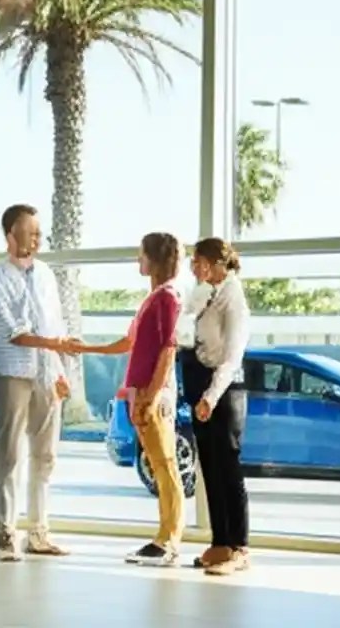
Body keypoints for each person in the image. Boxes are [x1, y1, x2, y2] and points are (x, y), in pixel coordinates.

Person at [0, 203, 78, 562]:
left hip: (48, 374)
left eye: (39, 232)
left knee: (46, 455)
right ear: (10, 236)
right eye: (30, 231)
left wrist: (61, 369)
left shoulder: (46, 275)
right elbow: (13, 333)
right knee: (8, 456)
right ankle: (4, 536)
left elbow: (56, 324)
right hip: (14, 375)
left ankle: (38, 533)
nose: (37, 238)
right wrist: (56, 345)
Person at [183, 237, 252, 576]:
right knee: (208, 467)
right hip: (200, 384)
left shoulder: (233, 298)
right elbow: (186, 331)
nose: (192, 267)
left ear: (213, 262)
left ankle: (239, 546)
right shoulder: (203, 294)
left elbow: (232, 356)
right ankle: (219, 541)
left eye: (196, 261)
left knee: (228, 469)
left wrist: (210, 397)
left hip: (225, 389)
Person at [119, 232, 186, 567]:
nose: (138, 260)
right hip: (144, 392)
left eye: (142, 254)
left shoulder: (167, 299)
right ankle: (165, 536)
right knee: (160, 466)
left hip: (154, 394)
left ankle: (169, 540)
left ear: (156, 259)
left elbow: (168, 349)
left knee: (165, 466)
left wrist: (152, 393)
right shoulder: (156, 298)